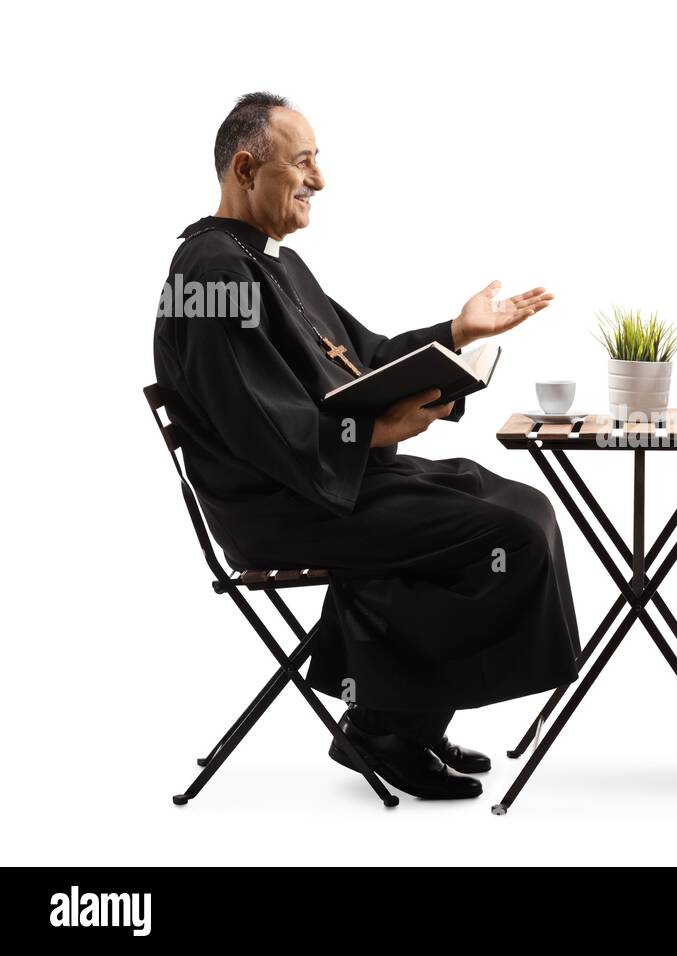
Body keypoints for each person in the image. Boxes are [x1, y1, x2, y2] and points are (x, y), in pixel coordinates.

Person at [153, 92, 581, 800]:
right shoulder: (211, 275)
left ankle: (401, 717)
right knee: (497, 533)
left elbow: (364, 358)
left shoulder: (271, 263)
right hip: (281, 504)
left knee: (510, 499)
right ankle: (388, 727)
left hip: (326, 481)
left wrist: (459, 333)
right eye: (304, 162)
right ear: (244, 166)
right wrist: (376, 432)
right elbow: (253, 422)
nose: (320, 180)